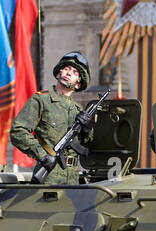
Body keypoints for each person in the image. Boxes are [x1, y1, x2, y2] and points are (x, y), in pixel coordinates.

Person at [10, 51, 95, 186]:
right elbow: (18, 131)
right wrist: (43, 155)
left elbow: (86, 145)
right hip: (49, 176)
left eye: (74, 72)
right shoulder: (41, 99)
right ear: (58, 74)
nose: (68, 73)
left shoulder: (79, 110)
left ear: (78, 84)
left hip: (72, 178)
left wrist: (87, 129)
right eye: (66, 69)